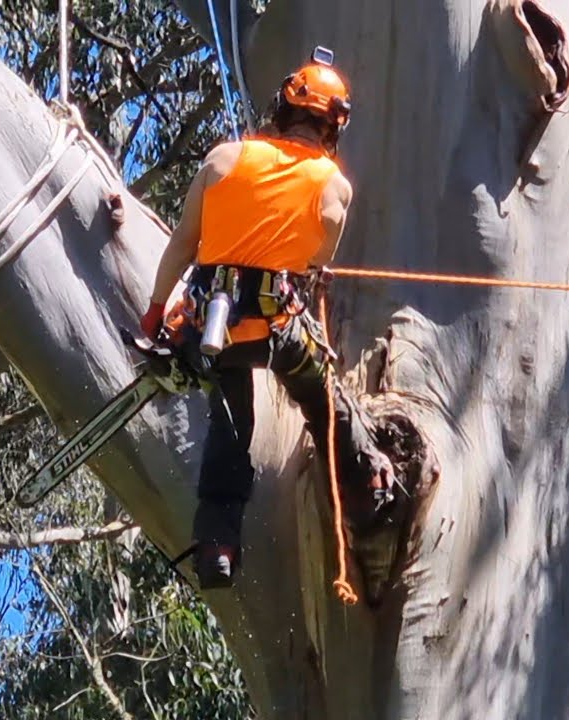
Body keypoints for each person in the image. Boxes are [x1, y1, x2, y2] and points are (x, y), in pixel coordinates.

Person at [140, 48, 395, 590]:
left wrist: (156, 310)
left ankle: (217, 545)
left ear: (283, 106)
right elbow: (316, 263)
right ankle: (367, 471)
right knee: (324, 397)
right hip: (280, 332)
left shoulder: (222, 160)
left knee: (231, 431)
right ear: (334, 125)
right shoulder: (334, 186)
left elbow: (183, 245)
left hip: (215, 329)